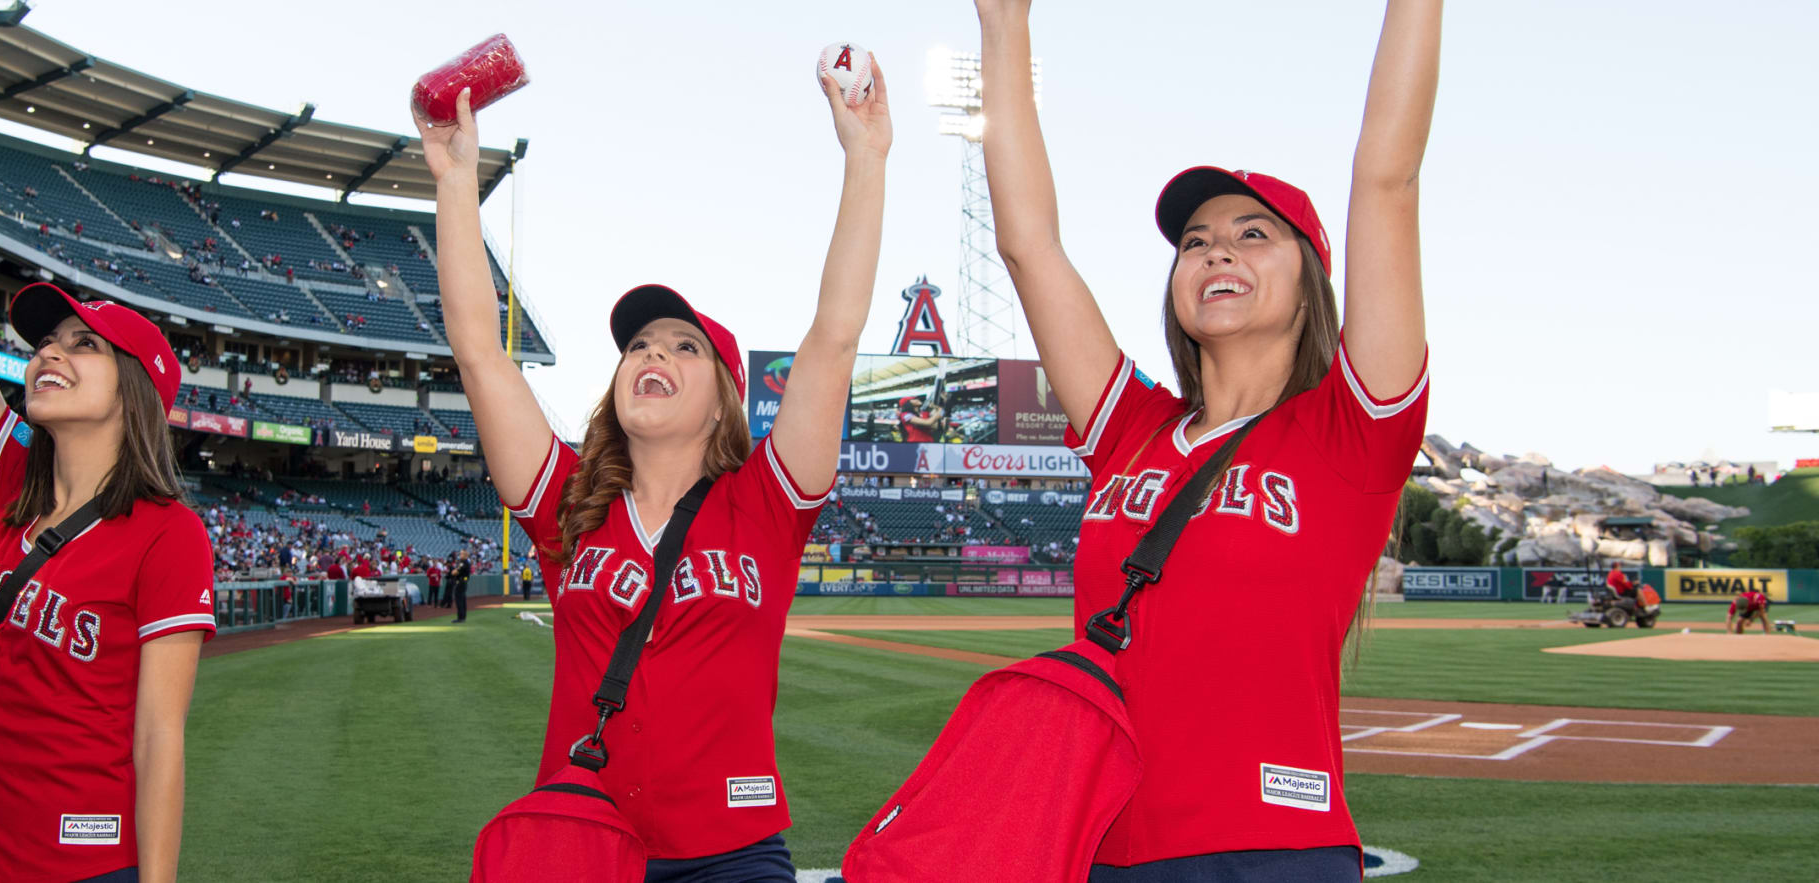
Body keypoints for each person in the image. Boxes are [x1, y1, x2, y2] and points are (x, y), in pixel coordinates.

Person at [976, 0, 1439, 877]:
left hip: (1269, 850)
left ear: (1312, 285)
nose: (1216, 251)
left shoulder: (1349, 430)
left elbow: (1389, 177)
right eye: (1196, 241)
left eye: (1252, 235)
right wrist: (1005, 26)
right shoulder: (1131, 430)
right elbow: (1028, 245)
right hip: (1099, 846)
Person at [416, 52, 888, 875]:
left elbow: (834, 337)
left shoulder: (768, 504)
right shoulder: (569, 502)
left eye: (682, 346)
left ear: (722, 400)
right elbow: (481, 357)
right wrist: (457, 182)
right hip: (581, 839)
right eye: (638, 344)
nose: (650, 353)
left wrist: (866, 160)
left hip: (732, 852)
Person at [0, 62, 212, 882]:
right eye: (46, 341)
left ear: (135, 390)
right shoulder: (15, 480)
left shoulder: (168, 534)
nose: (50, 353)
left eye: (82, 345)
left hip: (80, 864)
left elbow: (159, 736)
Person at [446, 551, 471, 624]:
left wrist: (453, 571)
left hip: (461, 582)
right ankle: (463, 617)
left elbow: (454, 572)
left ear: (465, 555)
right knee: (462, 599)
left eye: (462, 554)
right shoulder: (466, 562)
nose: (460, 555)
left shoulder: (463, 562)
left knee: (459, 600)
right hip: (463, 582)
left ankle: (460, 618)